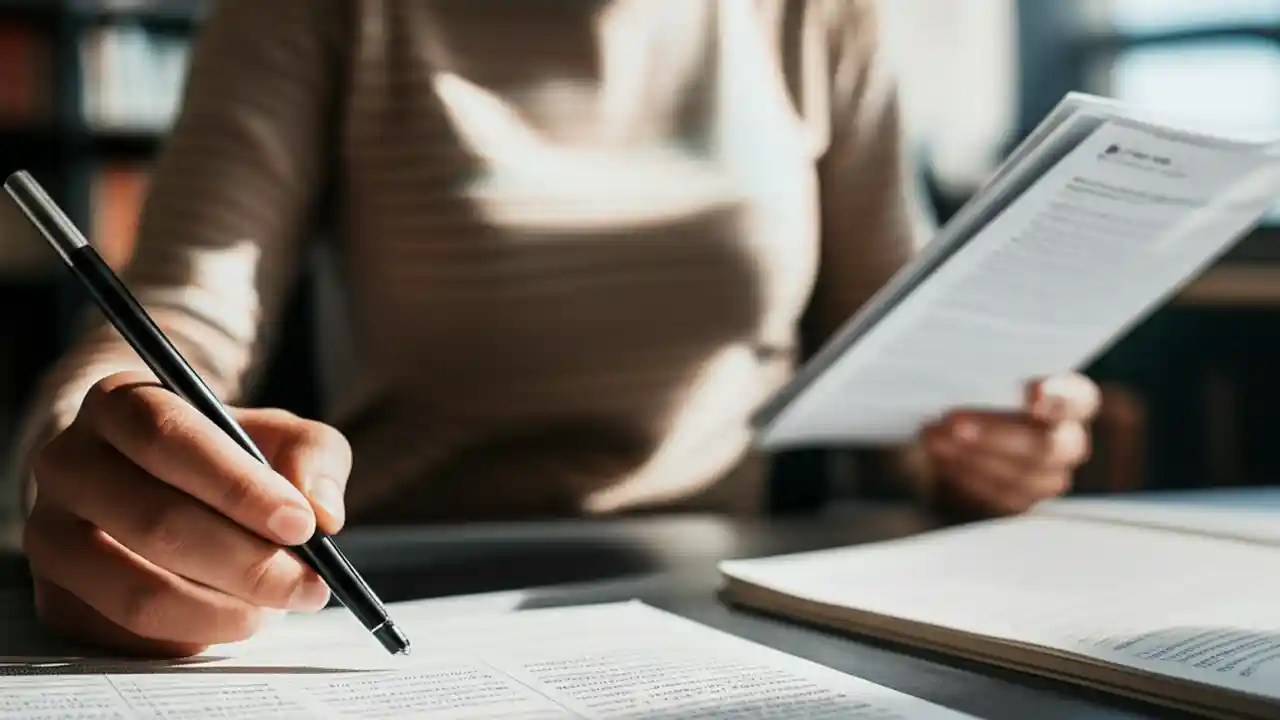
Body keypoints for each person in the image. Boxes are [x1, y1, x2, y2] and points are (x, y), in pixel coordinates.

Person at [12, 0, 1099, 656]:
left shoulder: (817, 13)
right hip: (402, 585)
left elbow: (907, 363)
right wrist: (97, 446)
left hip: (736, 587)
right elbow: (174, 317)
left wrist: (981, 449)